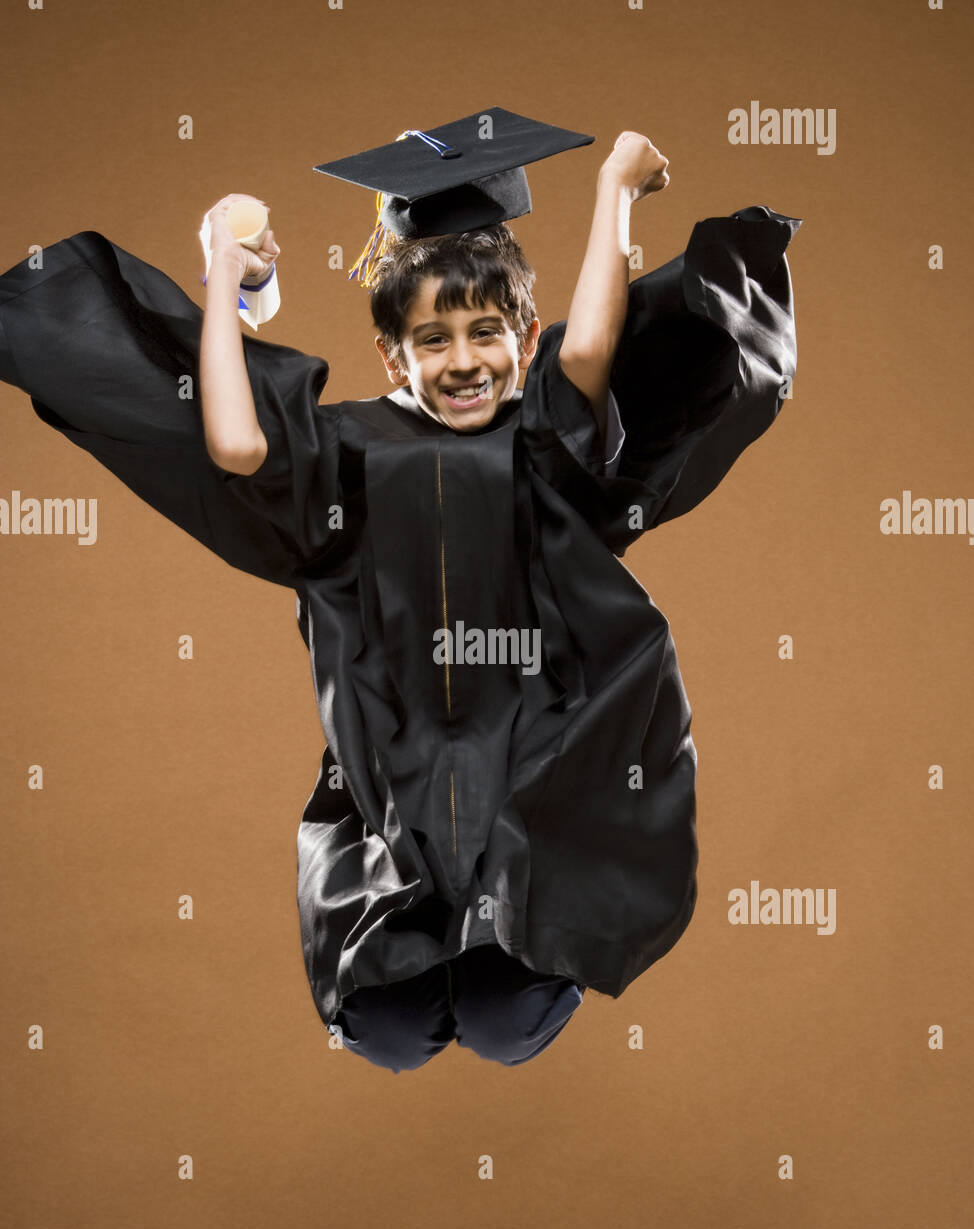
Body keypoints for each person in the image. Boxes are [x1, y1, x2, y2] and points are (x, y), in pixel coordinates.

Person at [0, 108, 801, 1074]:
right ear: (393, 355)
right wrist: (221, 267)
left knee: (508, 1020)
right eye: (432, 340)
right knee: (388, 1028)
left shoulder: (546, 444)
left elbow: (591, 352)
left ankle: (522, 931)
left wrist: (617, 191)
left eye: (487, 332)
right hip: (394, 800)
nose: (463, 360)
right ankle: (416, 932)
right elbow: (234, 443)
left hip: (538, 793)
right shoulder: (343, 456)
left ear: (524, 335)